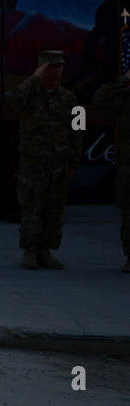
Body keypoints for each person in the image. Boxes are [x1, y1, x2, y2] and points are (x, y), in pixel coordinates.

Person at [10, 50, 82, 270]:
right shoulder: (30, 95)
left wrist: (74, 162)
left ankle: (46, 250)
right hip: (34, 161)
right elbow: (15, 101)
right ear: (42, 68)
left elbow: (77, 131)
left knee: (54, 209)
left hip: (59, 163)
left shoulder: (69, 98)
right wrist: (34, 77)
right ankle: (30, 251)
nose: (57, 70)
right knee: (32, 207)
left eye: (60, 66)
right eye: (52, 66)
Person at [91, 68, 130, 272]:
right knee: (128, 213)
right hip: (128, 163)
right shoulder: (125, 95)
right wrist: (124, 79)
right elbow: (99, 99)